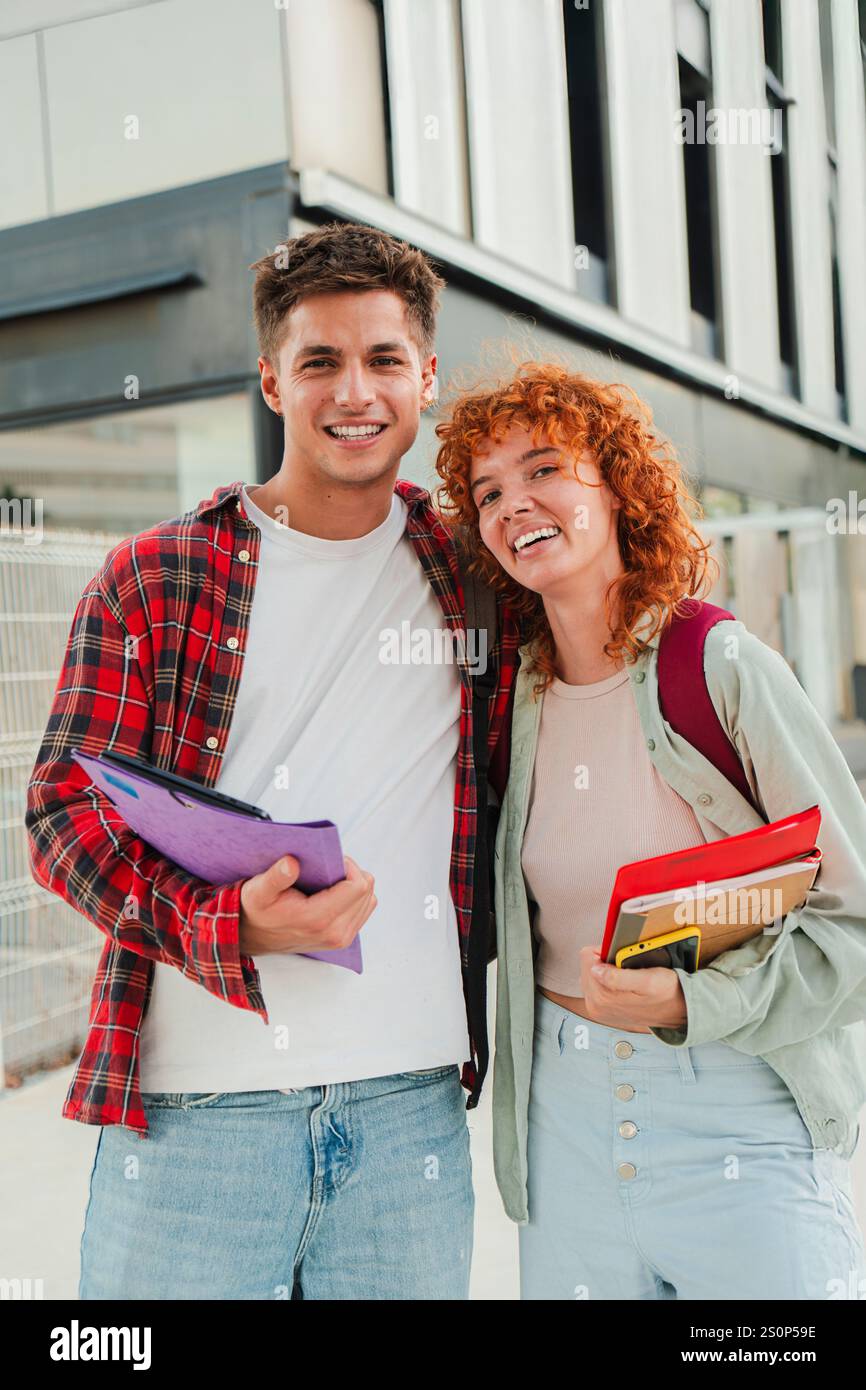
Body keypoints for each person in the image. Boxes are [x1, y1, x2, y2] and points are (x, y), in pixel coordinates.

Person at [25, 222, 519, 1301]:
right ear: (269, 379)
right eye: (319, 361)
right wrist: (228, 926)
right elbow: (63, 815)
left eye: (384, 359)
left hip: (407, 1111)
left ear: (425, 375)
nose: (356, 390)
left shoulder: (476, 576)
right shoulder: (156, 575)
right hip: (200, 1113)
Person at [433, 361, 866, 1300]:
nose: (516, 504)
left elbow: (855, 925)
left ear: (620, 483)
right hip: (563, 1123)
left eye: (545, 469)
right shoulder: (512, 699)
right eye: (489, 491)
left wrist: (688, 1007)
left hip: (739, 1112)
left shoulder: (720, 667)